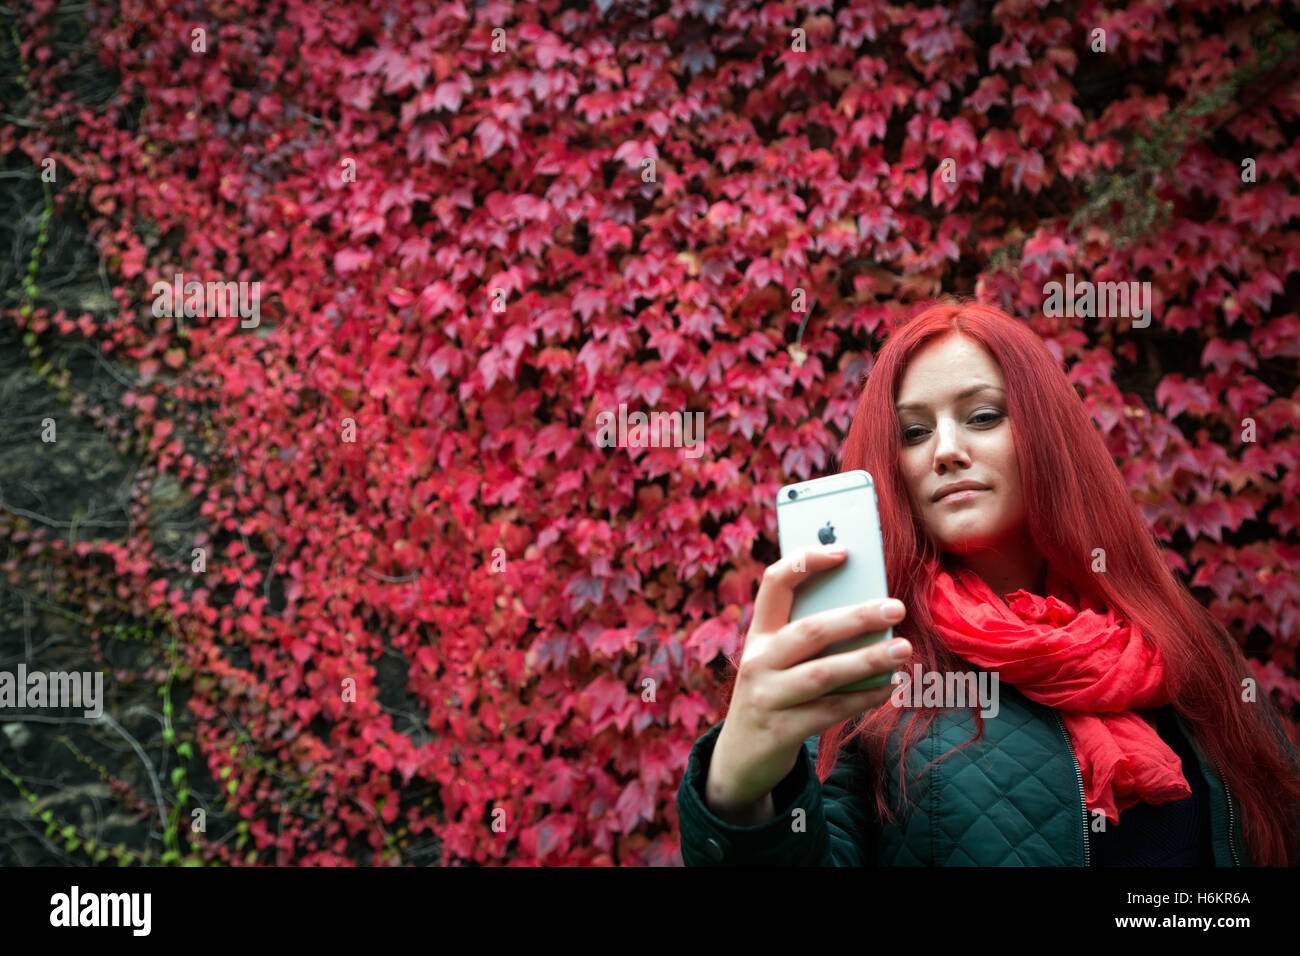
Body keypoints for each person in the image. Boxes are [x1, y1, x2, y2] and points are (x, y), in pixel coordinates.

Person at [676, 300, 1300, 866]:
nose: (945, 451)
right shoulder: (863, 665)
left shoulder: (1184, 642)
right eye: (913, 431)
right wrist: (739, 793)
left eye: (981, 416)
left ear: (1045, 435)